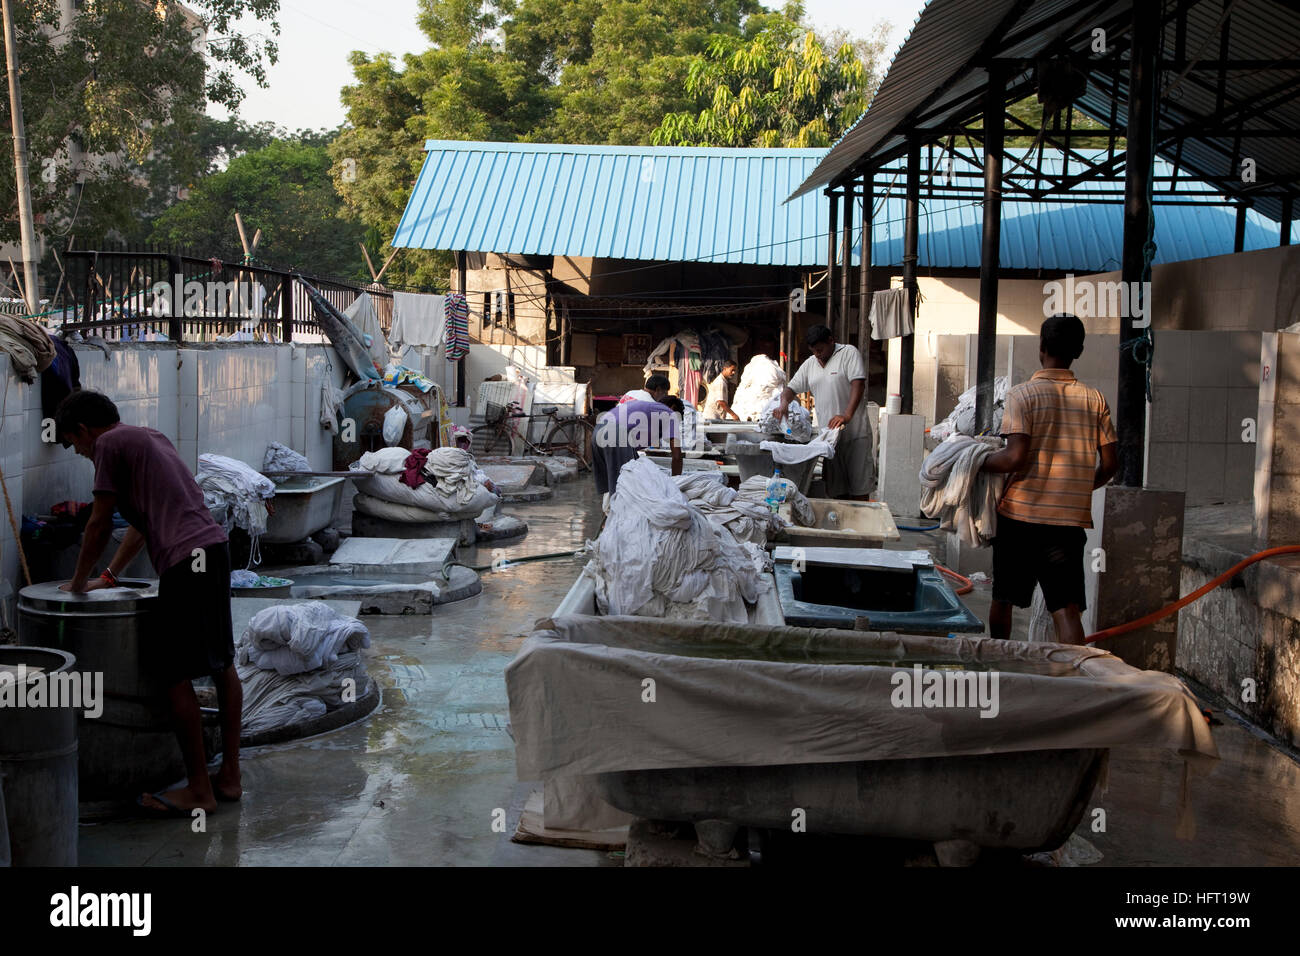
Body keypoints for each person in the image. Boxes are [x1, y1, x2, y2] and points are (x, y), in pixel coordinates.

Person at [56, 390, 243, 816]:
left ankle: (199, 790)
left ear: (84, 430)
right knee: (221, 664)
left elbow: (100, 522)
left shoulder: (108, 445)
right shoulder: (148, 438)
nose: (82, 453)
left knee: (172, 675)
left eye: (75, 443)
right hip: (212, 550)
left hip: (183, 561)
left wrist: (78, 583)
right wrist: (108, 577)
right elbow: (143, 525)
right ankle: (229, 776)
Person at [980, 314, 1119, 645]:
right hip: (1067, 524)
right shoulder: (1095, 399)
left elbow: (1014, 457)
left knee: (1004, 599)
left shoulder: (1021, 395)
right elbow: (1111, 464)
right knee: (1066, 608)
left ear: (1040, 348)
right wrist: (1078, 489)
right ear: (1079, 351)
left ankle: (1001, 669)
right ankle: (1073, 682)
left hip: (1019, 518)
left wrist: (978, 462)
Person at [775, 324, 874, 500]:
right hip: (829, 439)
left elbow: (858, 384)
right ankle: (841, 527)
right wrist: (783, 404)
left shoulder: (848, 353)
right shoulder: (810, 364)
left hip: (855, 435)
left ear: (831, 341)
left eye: (820, 350)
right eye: (814, 351)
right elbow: (790, 389)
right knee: (836, 490)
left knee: (859, 489)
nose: (817, 355)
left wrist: (847, 415)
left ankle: (860, 524)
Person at [593, 374, 681, 504]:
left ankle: (608, 517)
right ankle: (616, 516)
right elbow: (677, 455)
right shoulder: (665, 411)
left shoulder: (631, 394)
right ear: (658, 390)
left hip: (599, 429)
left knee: (611, 479)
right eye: (664, 393)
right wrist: (676, 483)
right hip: (617, 435)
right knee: (625, 483)